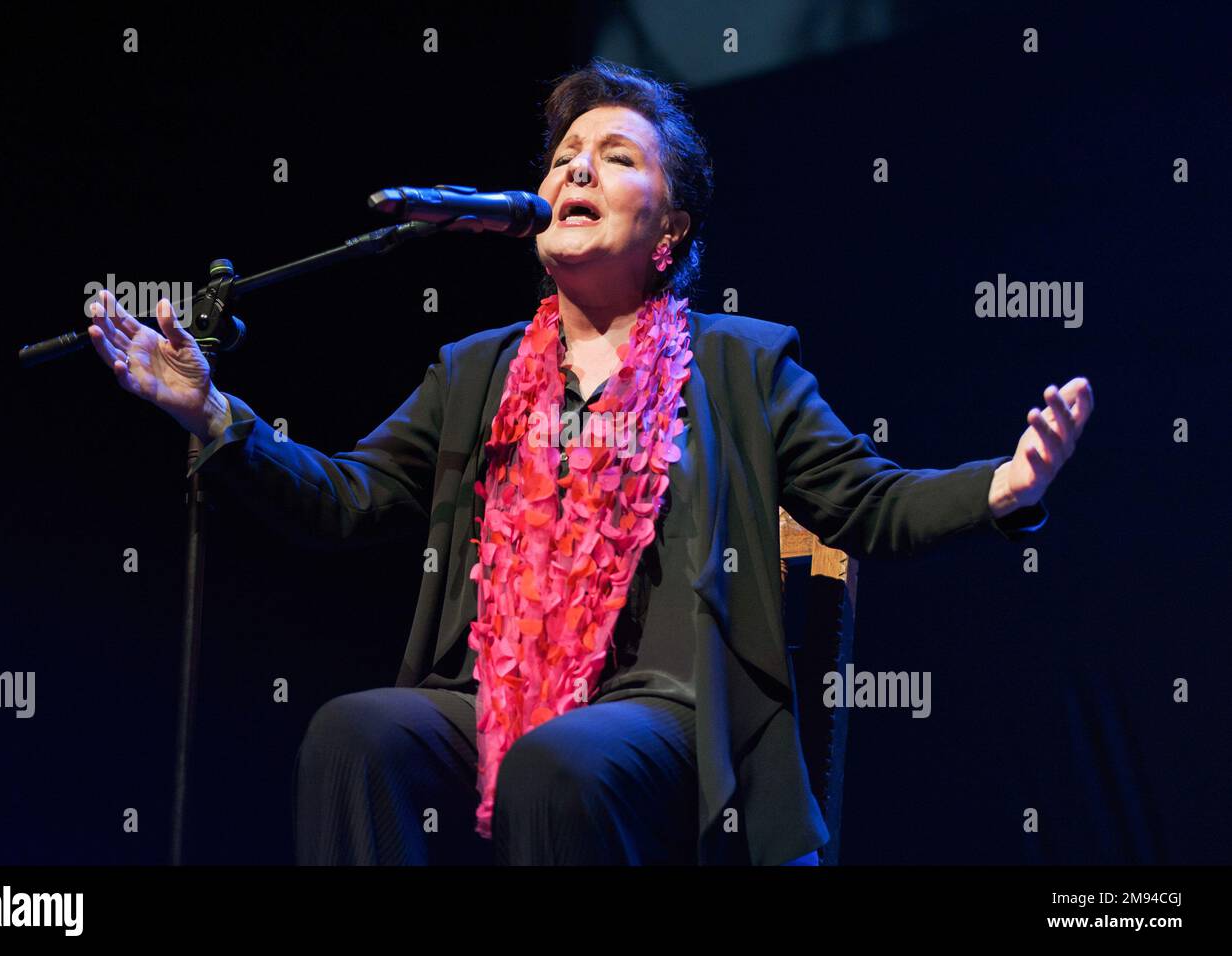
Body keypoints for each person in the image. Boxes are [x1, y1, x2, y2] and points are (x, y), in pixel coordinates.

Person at [86, 58, 1094, 866]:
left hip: (669, 711)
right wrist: (214, 412)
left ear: (671, 226)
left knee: (558, 763)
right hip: (498, 694)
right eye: (565, 154)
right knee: (358, 730)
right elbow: (345, 499)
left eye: (614, 156)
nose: (574, 169)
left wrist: (1004, 487)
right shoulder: (473, 371)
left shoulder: (739, 362)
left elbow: (863, 501)